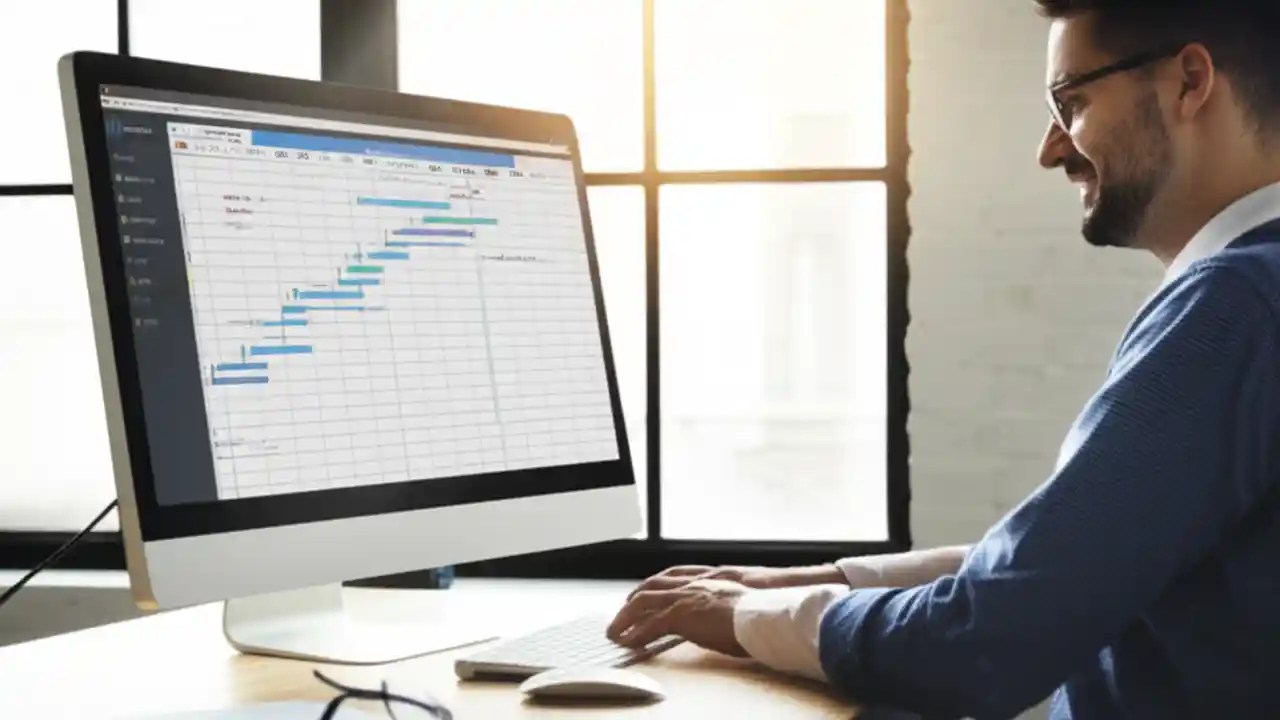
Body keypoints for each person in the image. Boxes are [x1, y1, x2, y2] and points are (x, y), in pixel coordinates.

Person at [607, 1, 1280, 717]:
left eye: (1071, 102)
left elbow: (984, 639)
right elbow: (1062, 570)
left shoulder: (1235, 306)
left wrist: (740, 618)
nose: (1051, 149)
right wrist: (811, 581)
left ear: (1190, 81)